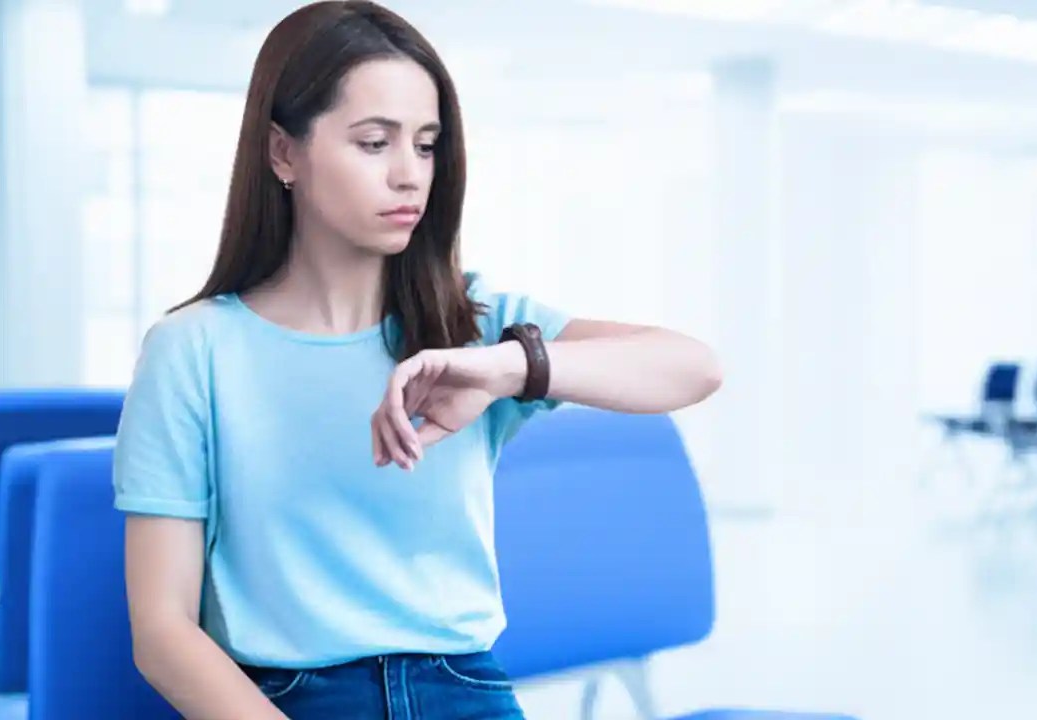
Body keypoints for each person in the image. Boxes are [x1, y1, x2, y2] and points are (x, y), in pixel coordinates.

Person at [111, 2, 722, 718]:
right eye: (375, 143)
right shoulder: (192, 350)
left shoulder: (473, 324)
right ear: (283, 152)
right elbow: (162, 631)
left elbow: (694, 366)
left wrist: (508, 370)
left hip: (465, 691)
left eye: (426, 145)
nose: (410, 176)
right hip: (287, 702)